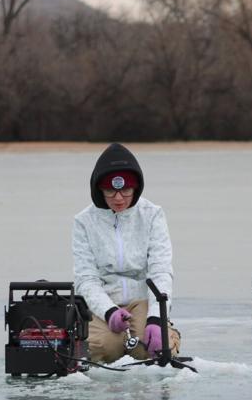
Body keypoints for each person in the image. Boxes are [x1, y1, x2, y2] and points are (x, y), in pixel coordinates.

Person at [72, 143, 181, 364]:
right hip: (104, 299)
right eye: (110, 190)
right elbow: (86, 278)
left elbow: (160, 270)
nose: (119, 198)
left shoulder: (152, 215)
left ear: (136, 188)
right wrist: (109, 311)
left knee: (148, 349)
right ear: (99, 189)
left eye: (126, 190)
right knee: (104, 348)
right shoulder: (83, 221)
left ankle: (169, 333)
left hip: (142, 298)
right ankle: (113, 339)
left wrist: (155, 318)